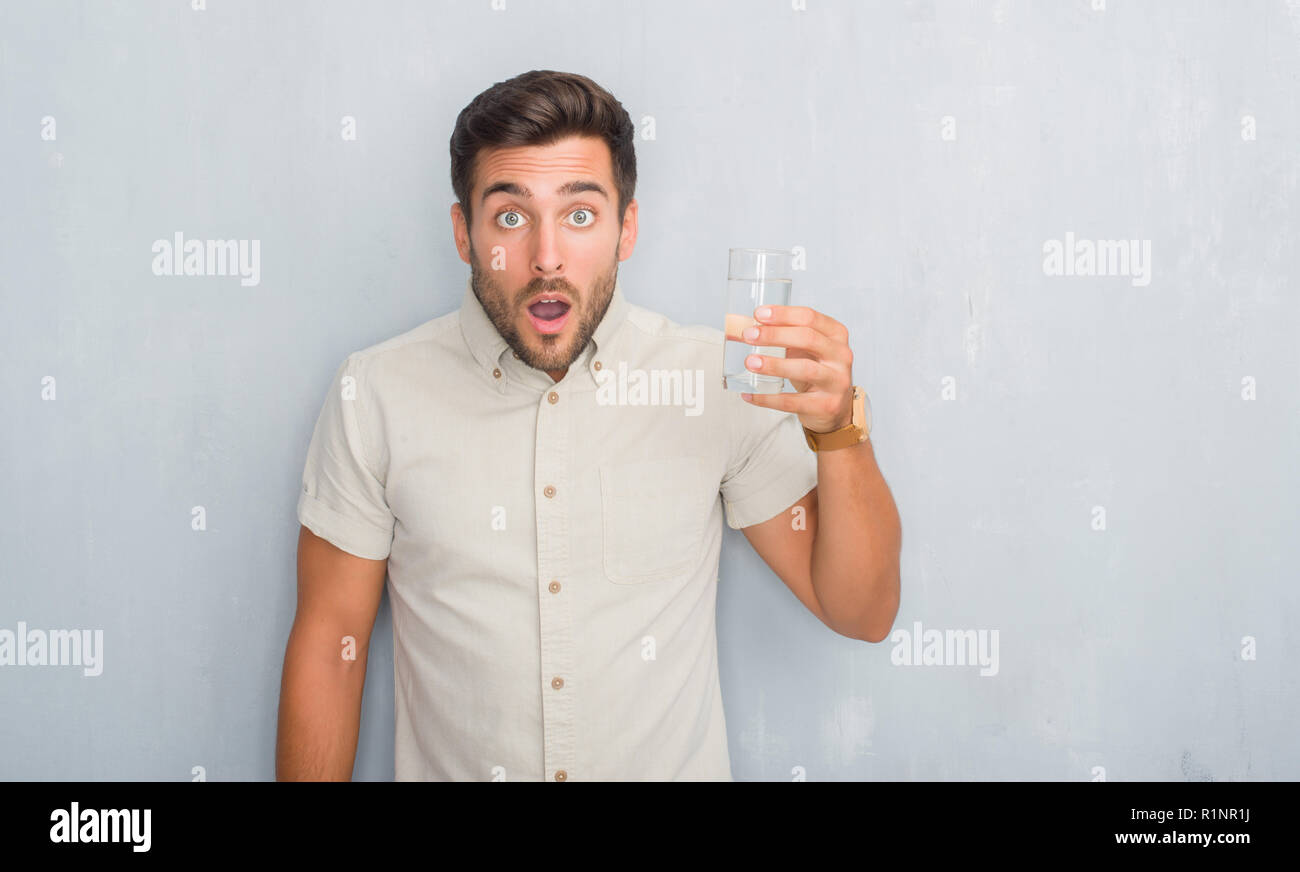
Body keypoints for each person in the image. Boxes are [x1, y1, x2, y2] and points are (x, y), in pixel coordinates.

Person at [276, 69, 900, 781]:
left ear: (625, 228)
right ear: (464, 233)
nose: (546, 256)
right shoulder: (376, 393)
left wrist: (840, 433)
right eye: (511, 216)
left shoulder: (717, 385)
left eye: (579, 215)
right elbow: (332, 645)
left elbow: (862, 612)